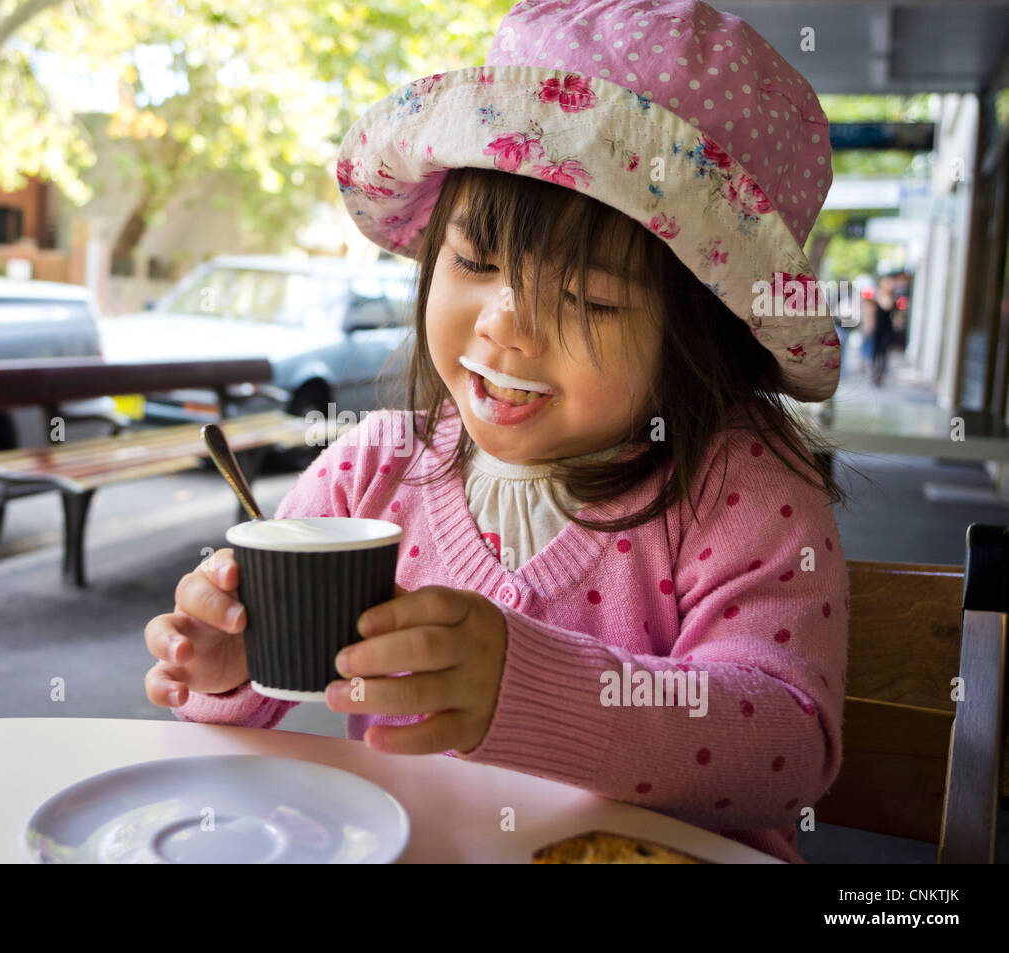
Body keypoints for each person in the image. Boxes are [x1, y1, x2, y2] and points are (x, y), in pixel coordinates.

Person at [144, 0, 851, 865]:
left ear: (703, 333)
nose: (504, 328)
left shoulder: (743, 492)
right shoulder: (376, 469)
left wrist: (531, 691)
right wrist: (227, 667)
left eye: (588, 299)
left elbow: (786, 743)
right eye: (475, 263)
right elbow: (263, 698)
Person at [867, 273, 898, 387]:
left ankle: (881, 374)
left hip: (887, 329)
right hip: (877, 327)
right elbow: (870, 312)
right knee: (876, 350)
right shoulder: (876, 296)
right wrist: (869, 325)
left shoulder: (893, 297)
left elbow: (895, 315)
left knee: (884, 351)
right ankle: (874, 372)